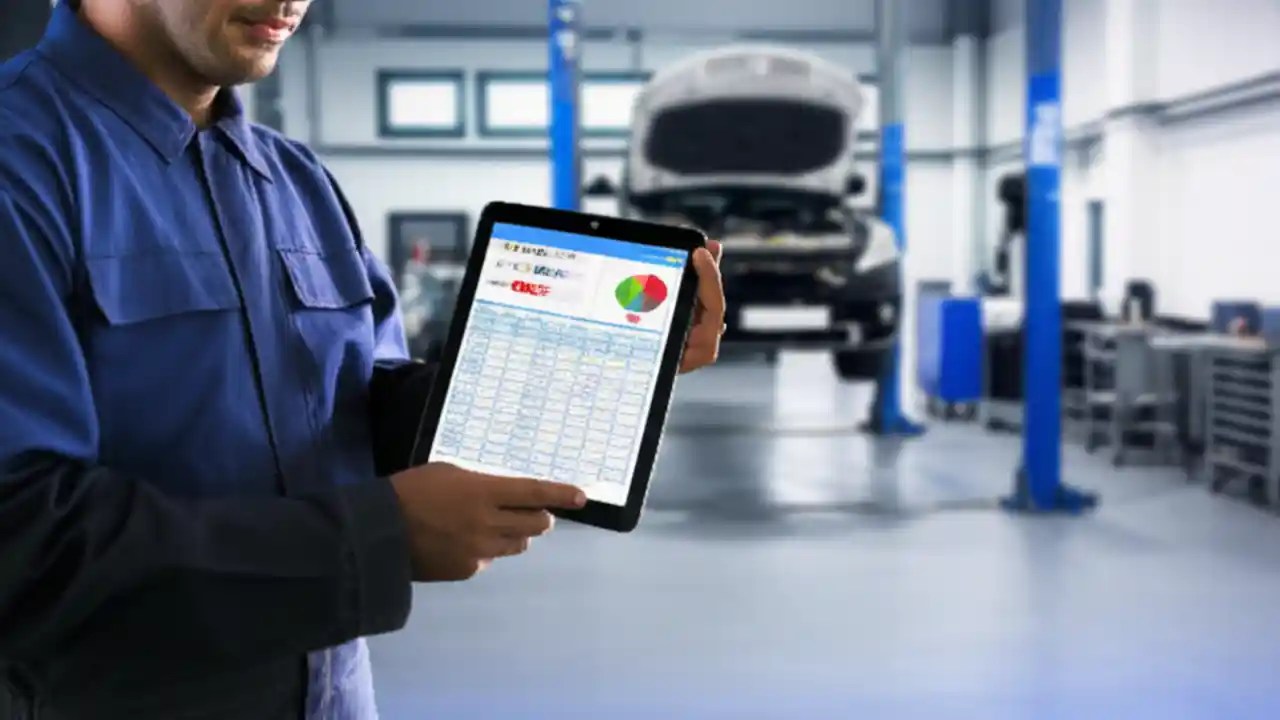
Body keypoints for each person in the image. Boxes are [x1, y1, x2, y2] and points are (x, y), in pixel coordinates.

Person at [0, 0, 727, 717]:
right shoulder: (19, 163)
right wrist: (376, 540)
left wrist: (590, 375)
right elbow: (22, 538)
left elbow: (349, 406)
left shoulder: (294, 180)